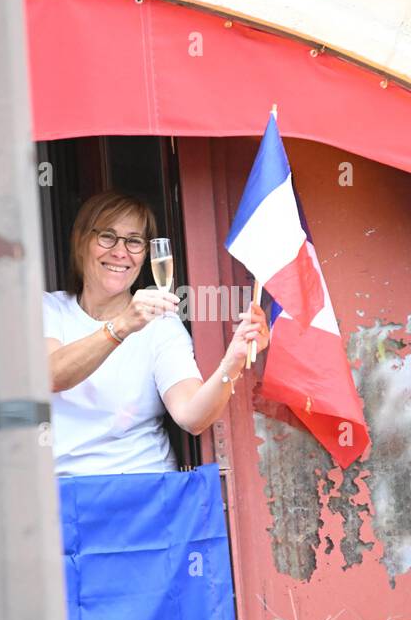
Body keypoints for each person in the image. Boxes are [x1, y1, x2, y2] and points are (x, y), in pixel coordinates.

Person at [43, 190, 268, 476]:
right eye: (107, 236)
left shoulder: (160, 324)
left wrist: (232, 362)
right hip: (69, 496)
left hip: (145, 491)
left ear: (146, 254)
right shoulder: (49, 309)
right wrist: (121, 326)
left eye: (134, 241)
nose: (121, 251)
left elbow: (191, 416)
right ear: (81, 241)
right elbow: (51, 375)